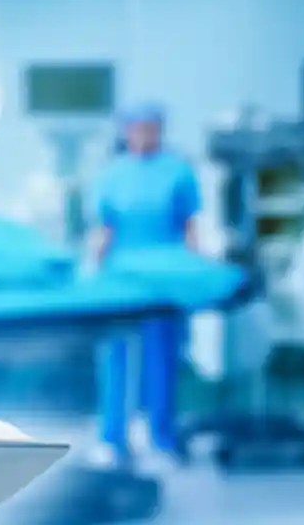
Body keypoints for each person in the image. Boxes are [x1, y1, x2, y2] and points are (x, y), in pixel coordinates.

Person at [92, 102, 201, 468]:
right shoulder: (112, 175)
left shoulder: (178, 172)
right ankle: (112, 439)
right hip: (121, 280)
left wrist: (194, 275)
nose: (143, 135)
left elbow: (190, 228)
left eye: (150, 128)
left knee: (161, 358)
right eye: (136, 129)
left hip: (165, 281)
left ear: (160, 130)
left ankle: (162, 439)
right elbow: (104, 229)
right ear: (125, 132)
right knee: (116, 357)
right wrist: (92, 274)